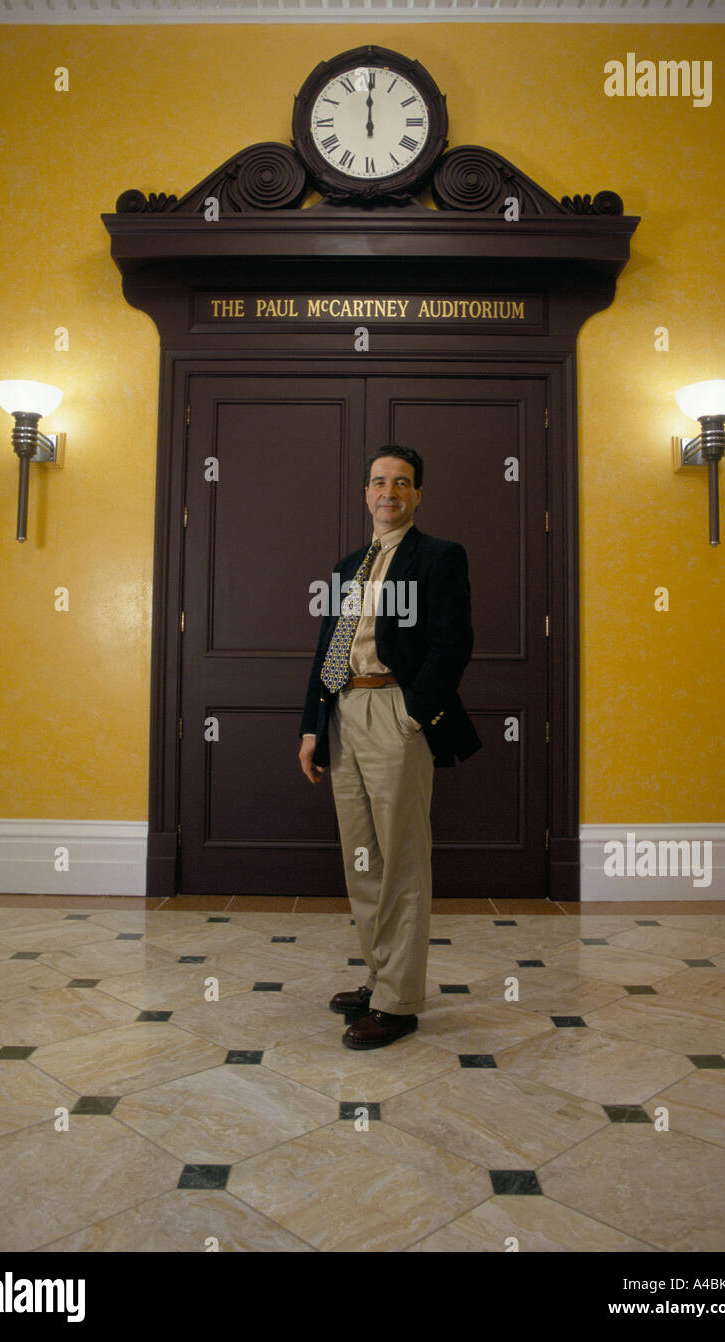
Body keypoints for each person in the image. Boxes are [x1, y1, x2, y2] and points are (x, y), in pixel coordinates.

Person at [298, 443, 481, 1049]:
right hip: (343, 715)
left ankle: (400, 1002)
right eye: (379, 482)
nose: (389, 492)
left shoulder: (438, 558)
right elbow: (329, 649)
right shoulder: (347, 566)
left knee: (401, 860)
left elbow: (452, 646)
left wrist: (412, 714)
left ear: (417, 494)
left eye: (402, 483)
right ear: (365, 492)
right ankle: (378, 979)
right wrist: (310, 726)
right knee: (362, 859)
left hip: (395, 712)